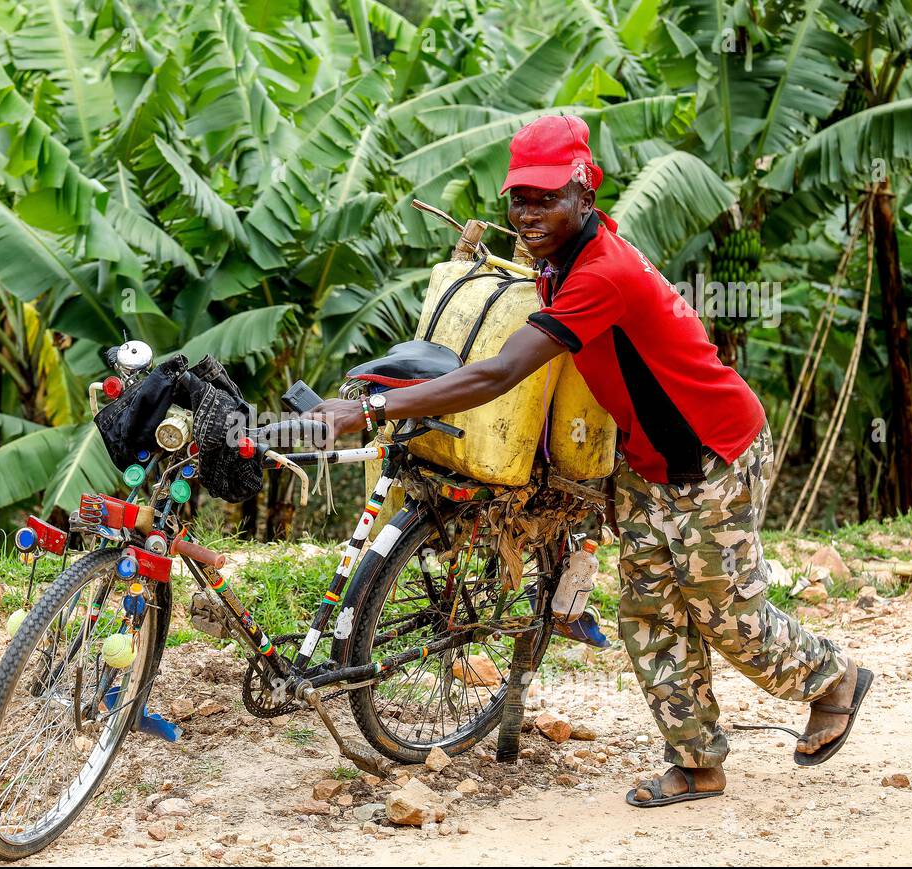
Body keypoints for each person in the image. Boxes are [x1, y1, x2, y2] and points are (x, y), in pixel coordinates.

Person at [308, 114, 873, 807]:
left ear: (585, 193)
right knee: (648, 612)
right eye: (520, 197)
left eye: (546, 197)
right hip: (643, 458)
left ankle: (833, 677)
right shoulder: (556, 265)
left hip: (713, 451)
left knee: (724, 608)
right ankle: (697, 763)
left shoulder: (602, 272)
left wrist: (370, 411)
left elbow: (501, 372)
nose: (529, 212)